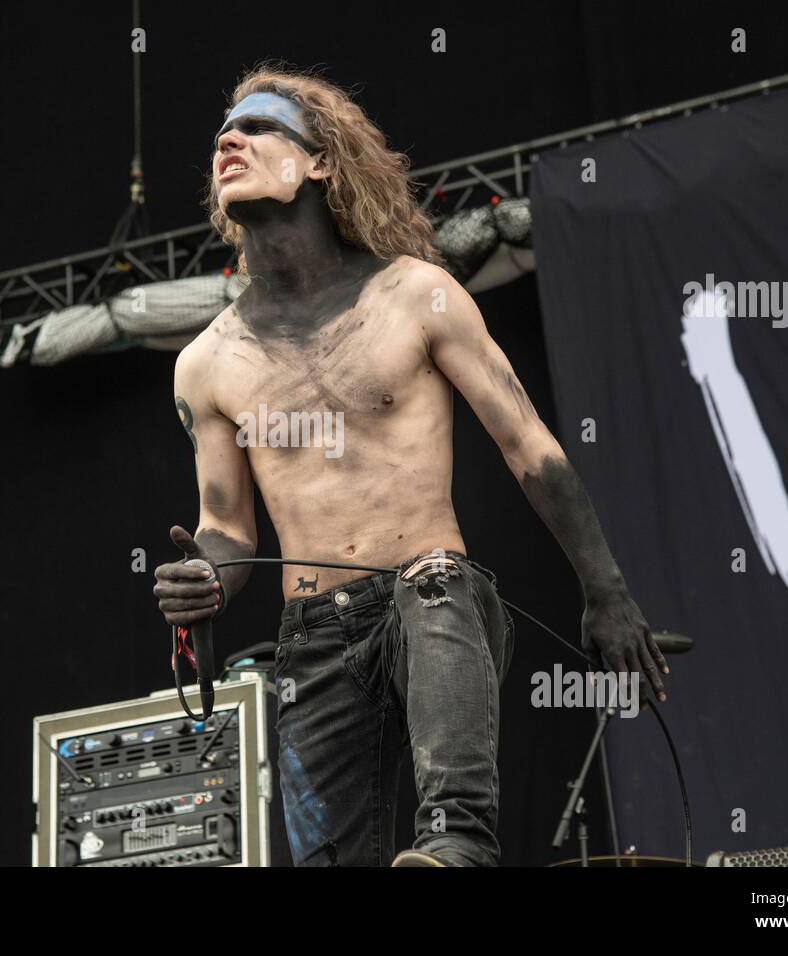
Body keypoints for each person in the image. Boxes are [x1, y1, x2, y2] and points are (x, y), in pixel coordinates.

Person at [153, 65, 668, 866]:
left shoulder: (417, 296)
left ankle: (455, 844)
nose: (230, 140)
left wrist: (606, 593)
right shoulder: (206, 362)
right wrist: (206, 578)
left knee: (434, 584)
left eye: (258, 128)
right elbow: (225, 528)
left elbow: (530, 447)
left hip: (429, 597)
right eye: (224, 132)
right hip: (312, 635)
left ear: (320, 162)